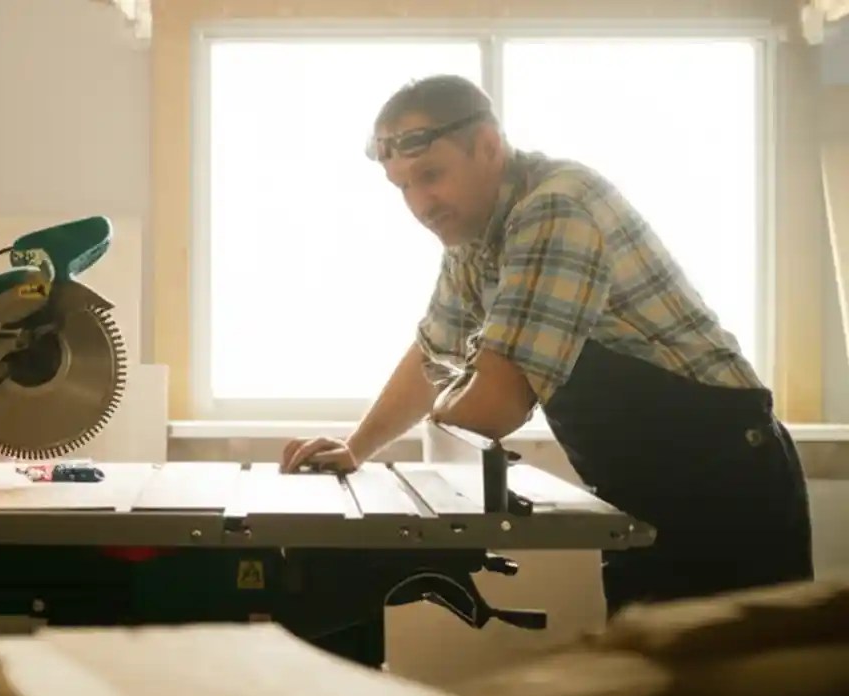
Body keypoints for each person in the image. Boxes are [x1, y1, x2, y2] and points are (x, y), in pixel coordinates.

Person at [280, 74, 814, 616]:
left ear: (488, 146)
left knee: (744, 688)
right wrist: (356, 448)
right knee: (651, 690)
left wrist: (451, 408)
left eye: (431, 175)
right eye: (403, 188)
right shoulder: (474, 232)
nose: (421, 204)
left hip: (724, 484)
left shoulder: (556, 208)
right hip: (643, 493)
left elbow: (493, 407)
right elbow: (430, 354)